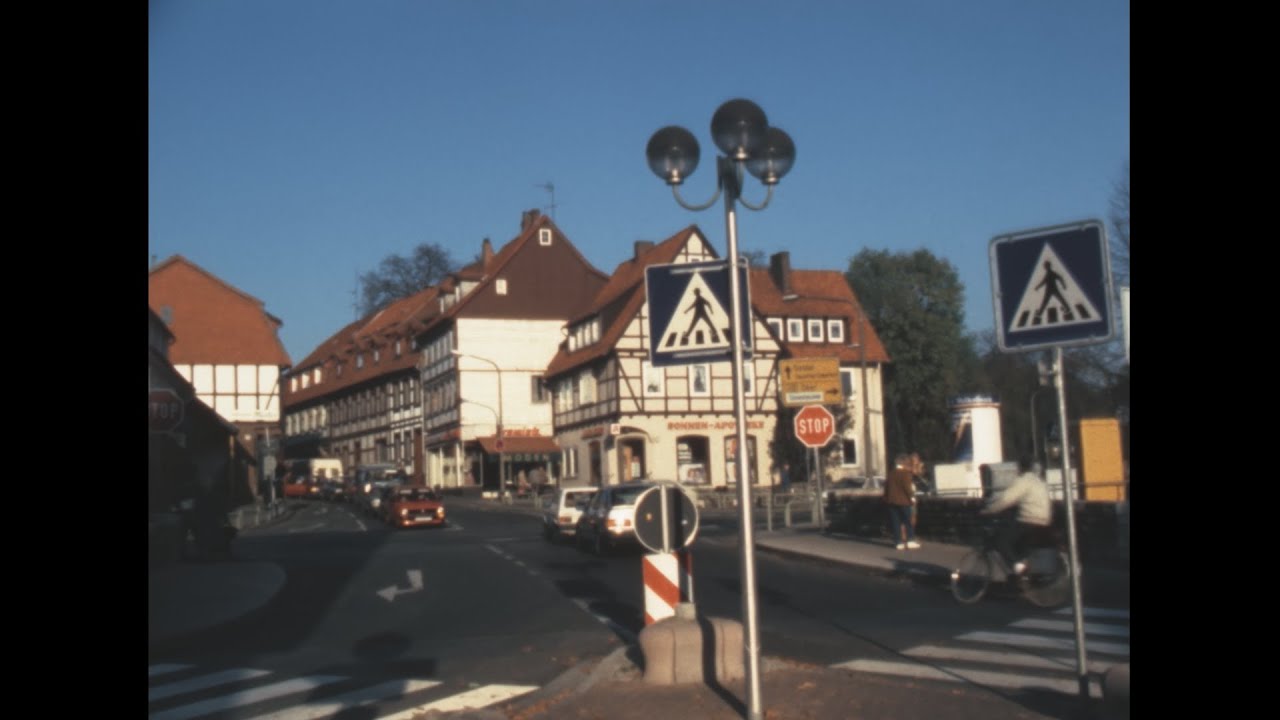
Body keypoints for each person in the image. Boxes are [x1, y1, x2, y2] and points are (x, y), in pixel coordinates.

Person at [980, 457, 1053, 574]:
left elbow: (1006, 499)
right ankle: (1022, 573)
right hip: (1044, 521)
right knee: (1019, 546)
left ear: (1020, 468)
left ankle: (1019, 568)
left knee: (1001, 541)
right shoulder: (1039, 481)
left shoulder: (1024, 481)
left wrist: (989, 510)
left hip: (1030, 520)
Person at [883, 453, 920, 550]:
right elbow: (907, 488)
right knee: (908, 521)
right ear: (903, 463)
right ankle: (910, 540)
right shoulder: (905, 474)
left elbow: (886, 488)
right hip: (904, 502)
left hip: (891, 502)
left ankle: (898, 542)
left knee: (896, 522)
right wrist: (912, 498)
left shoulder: (890, 474)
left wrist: (886, 499)